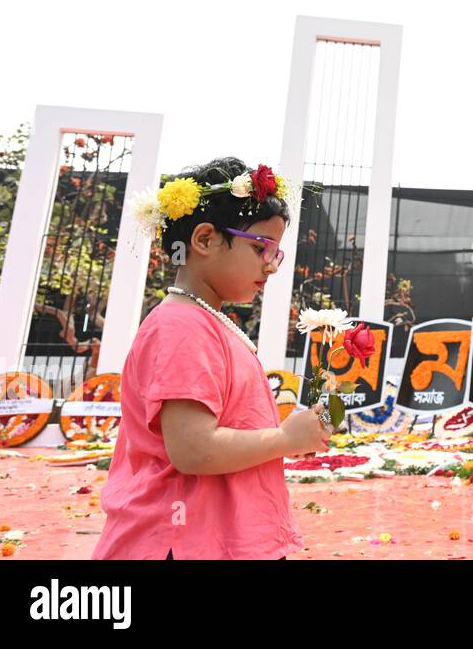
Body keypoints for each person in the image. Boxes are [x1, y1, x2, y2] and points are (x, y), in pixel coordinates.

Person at [92, 157, 331, 560]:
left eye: (276, 253)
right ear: (204, 240)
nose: (271, 266)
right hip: (185, 542)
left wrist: (290, 434)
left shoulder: (204, 321)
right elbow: (194, 449)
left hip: (216, 540)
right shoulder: (182, 326)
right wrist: (285, 438)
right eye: (260, 248)